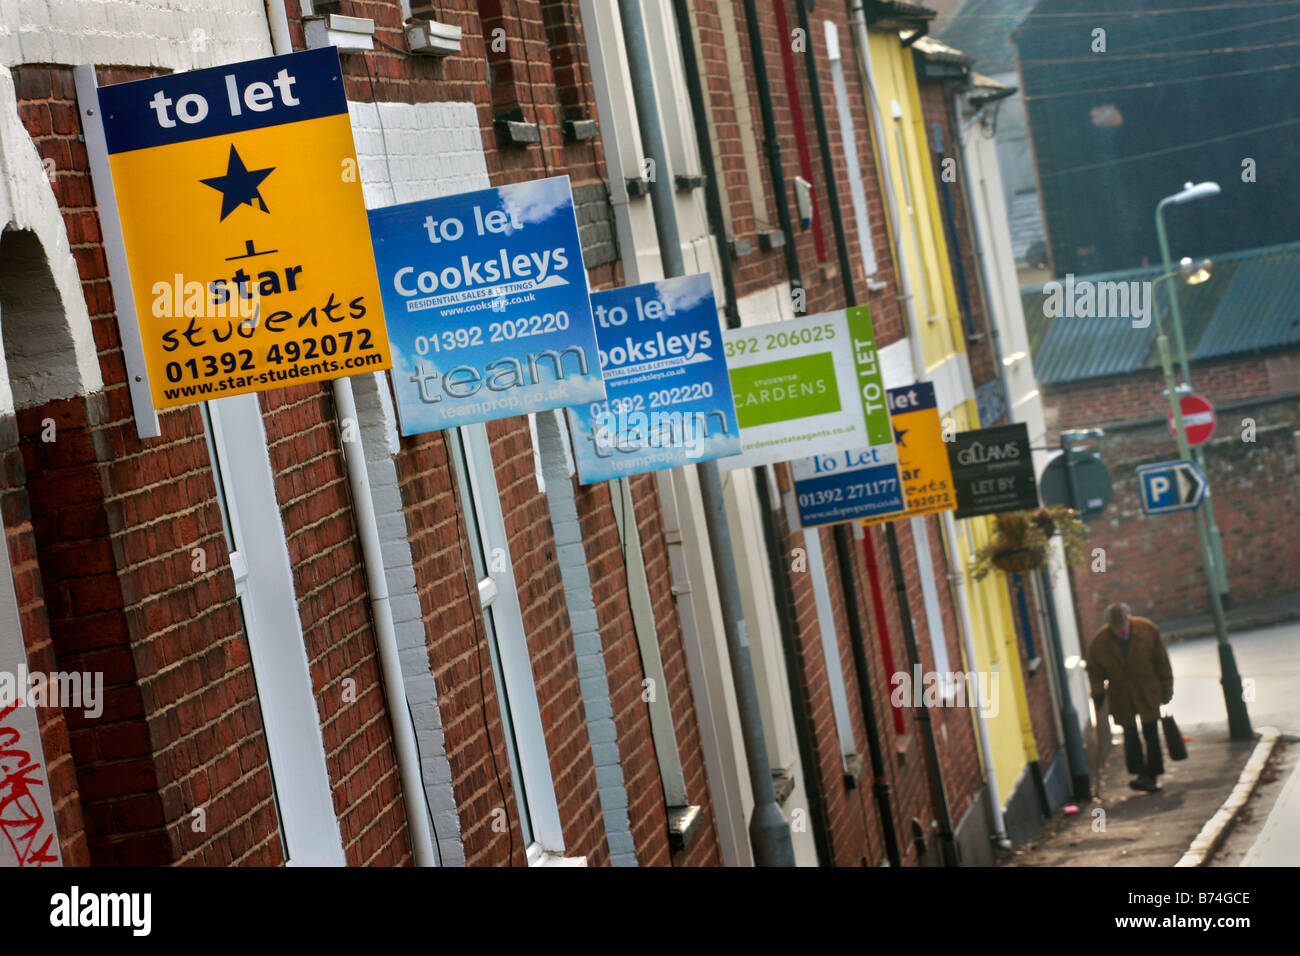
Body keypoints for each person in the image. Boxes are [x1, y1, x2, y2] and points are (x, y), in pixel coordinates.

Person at [1086, 602, 1174, 792]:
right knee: (1130, 733)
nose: (1120, 631)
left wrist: (1167, 689)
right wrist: (1098, 693)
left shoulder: (1147, 630)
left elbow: (1162, 661)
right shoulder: (1100, 641)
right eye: (1115, 628)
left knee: (1151, 732)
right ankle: (1139, 772)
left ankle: (1153, 773)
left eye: (1123, 626)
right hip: (1121, 694)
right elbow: (1094, 671)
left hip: (1147, 690)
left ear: (1130, 619)